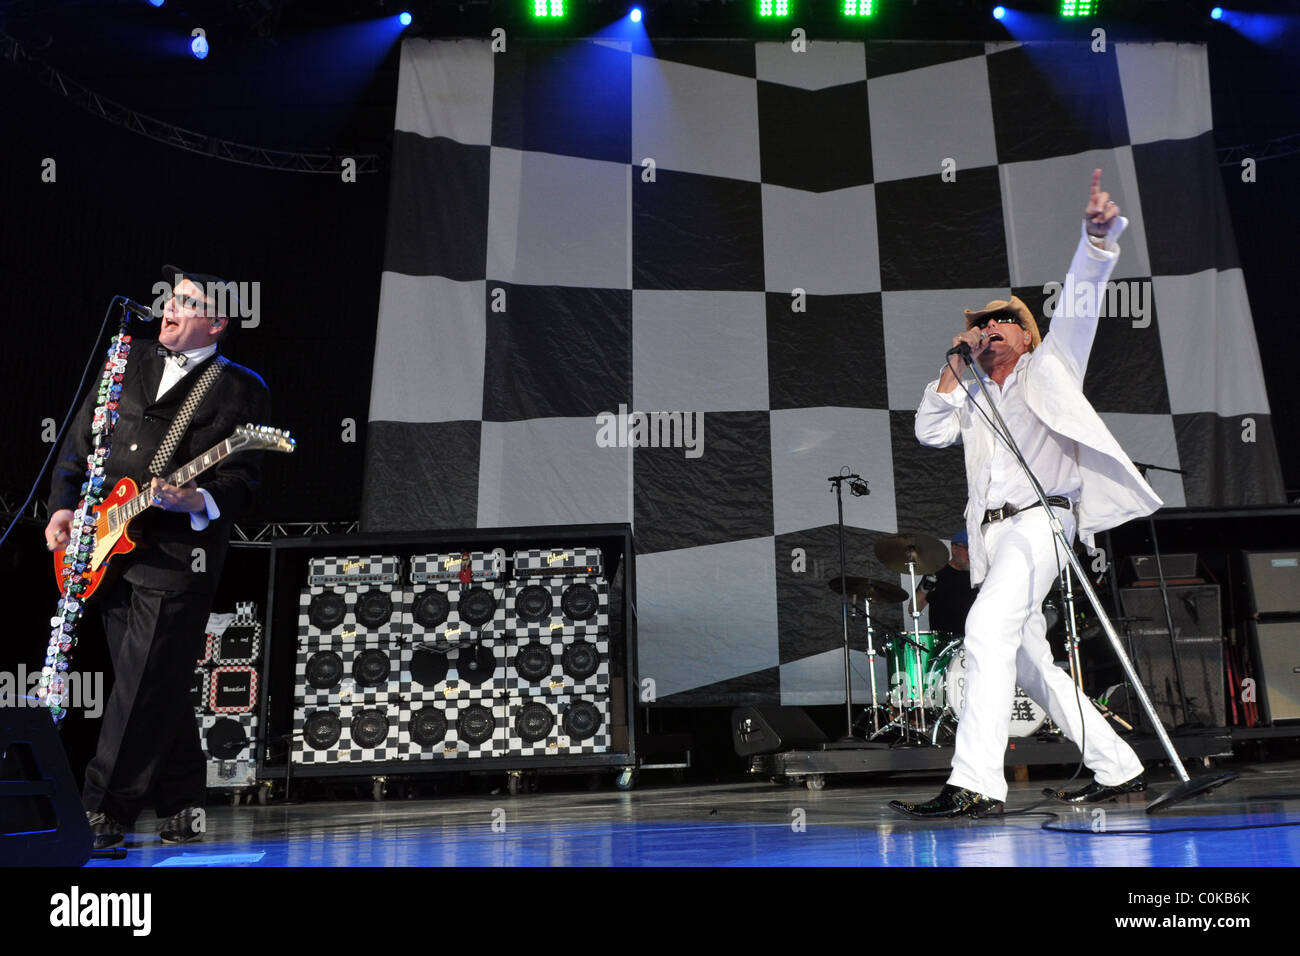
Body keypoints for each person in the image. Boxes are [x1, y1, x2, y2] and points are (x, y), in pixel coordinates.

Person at [892, 171, 1161, 818]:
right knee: (1030, 663)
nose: (986, 331)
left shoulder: (1051, 367)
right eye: (978, 326)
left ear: (1025, 334)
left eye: (998, 323)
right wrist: (952, 367)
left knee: (985, 627)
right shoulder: (974, 396)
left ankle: (978, 783)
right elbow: (928, 430)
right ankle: (1118, 765)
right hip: (993, 538)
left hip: (1043, 524)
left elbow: (1080, 305)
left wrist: (1096, 244)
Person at [44, 266, 270, 849]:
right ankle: (183, 801)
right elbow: (80, 441)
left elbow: (243, 479)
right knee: (148, 683)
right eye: (172, 298)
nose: (170, 308)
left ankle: (101, 811)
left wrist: (198, 497)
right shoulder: (126, 360)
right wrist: (63, 507)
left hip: (177, 556)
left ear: (216, 324)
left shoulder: (238, 386)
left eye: (187, 303)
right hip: (104, 544)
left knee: (141, 684)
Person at [912, 529, 977, 637]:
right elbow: (913, 609)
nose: (971, 554)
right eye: (967, 549)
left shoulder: (977, 575)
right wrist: (924, 589)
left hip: (973, 641)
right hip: (945, 645)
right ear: (954, 549)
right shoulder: (937, 573)